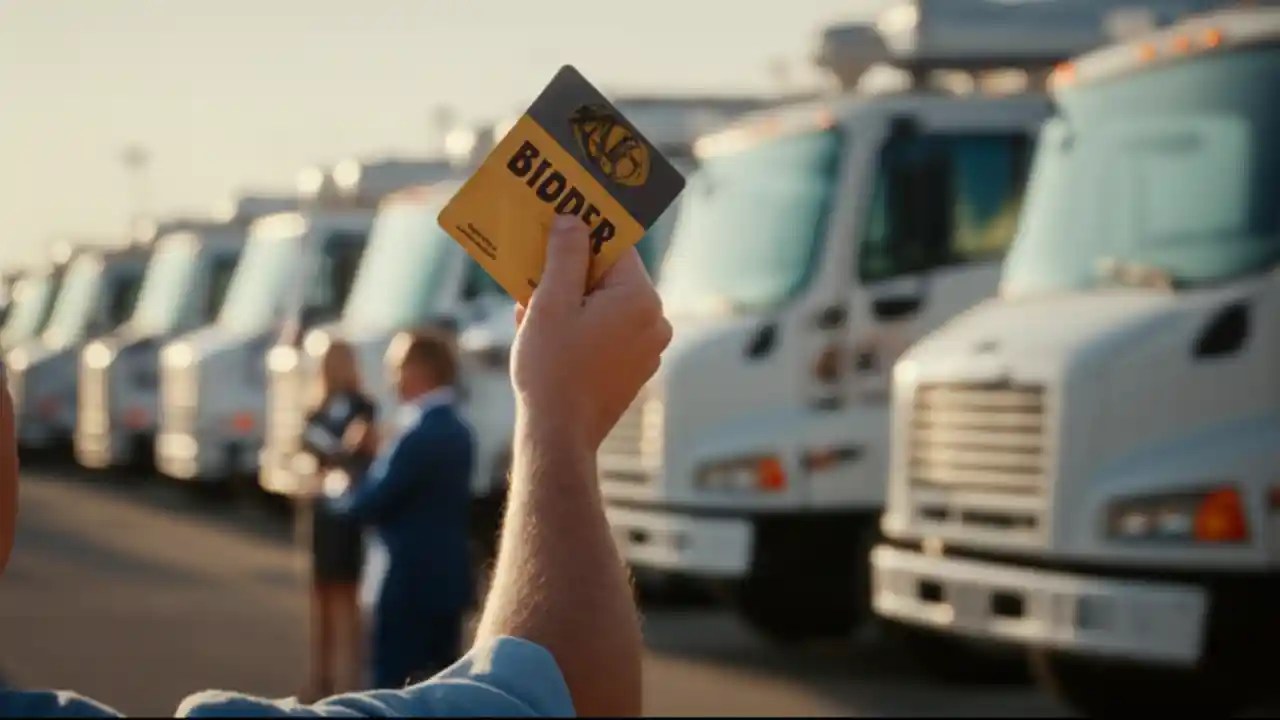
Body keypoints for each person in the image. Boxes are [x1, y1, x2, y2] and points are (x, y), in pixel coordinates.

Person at [0, 214, 672, 717]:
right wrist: (560, 419)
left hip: (409, 576)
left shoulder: (422, 429)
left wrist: (337, 492)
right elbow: (558, 695)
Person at [327, 329, 473, 690]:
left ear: (418, 370)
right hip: (446, 585)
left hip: (405, 587)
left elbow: (371, 501)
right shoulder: (459, 429)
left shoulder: (416, 432)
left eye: (395, 367)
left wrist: (342, 483)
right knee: (442, 696)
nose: (391, 378)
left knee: (389, 693)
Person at [296, 340, 378, 700]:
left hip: (351, 514)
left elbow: (366, 453)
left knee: (350, 598)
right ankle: (320, 678)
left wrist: (343, 452)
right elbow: (312, 450)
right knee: (320, 597)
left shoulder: (365, 407)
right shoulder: (315, 410)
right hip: (321, 513)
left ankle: (353, 680)